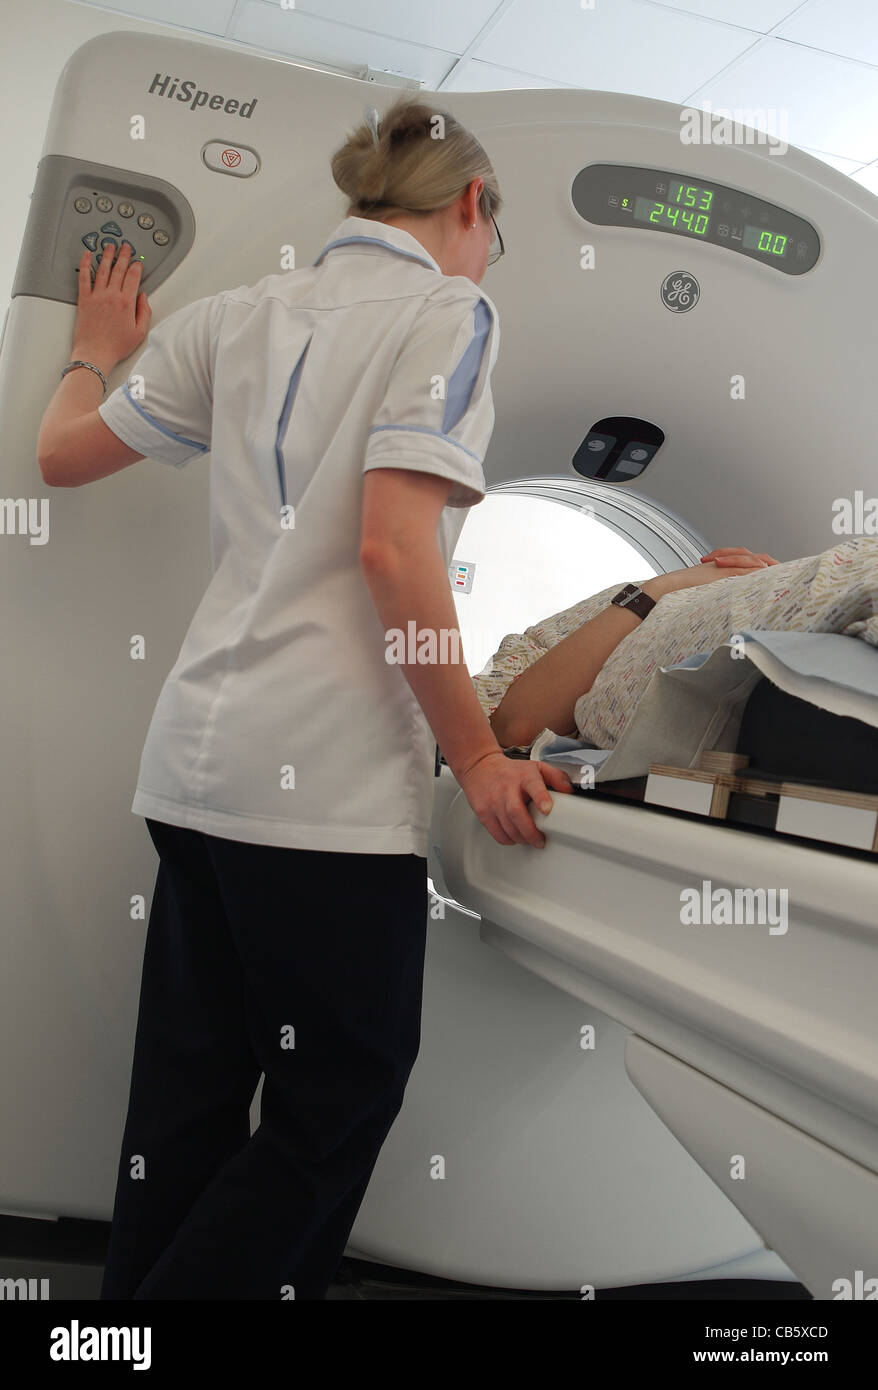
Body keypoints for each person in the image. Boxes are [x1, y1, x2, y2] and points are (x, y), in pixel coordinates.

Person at [36, 93, 767, 1300]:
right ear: (472, 207)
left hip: (194, 767)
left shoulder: (237, 313)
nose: (491, 261)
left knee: (187, 1096)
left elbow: (59, 455)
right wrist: (478, 756)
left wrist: (94, 349)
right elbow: (391, 549)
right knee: (339, 1098)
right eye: (496, 236)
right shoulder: (451, 311)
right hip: (316, 793)